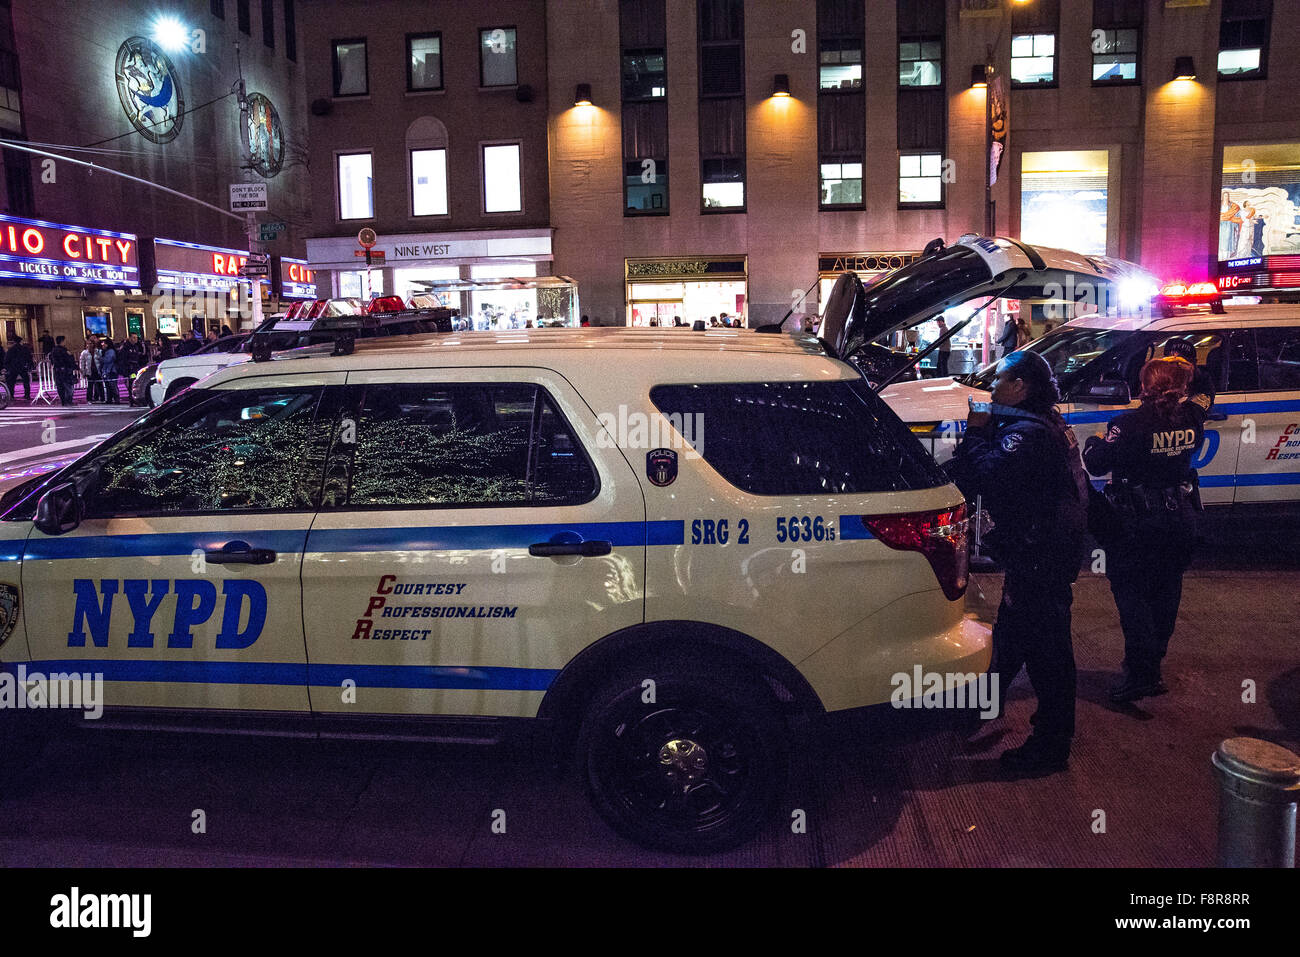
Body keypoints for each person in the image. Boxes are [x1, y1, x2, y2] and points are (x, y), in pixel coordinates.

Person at [947, 350, 1089, 774]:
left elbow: (990, 475)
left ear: (1020, 387)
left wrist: (974, 433)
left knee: (1049, 655)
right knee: (1012, 634)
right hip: (1043, 551)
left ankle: (1050, 746)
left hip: (1040, 556)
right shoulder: (1048, 423)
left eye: (999, 381)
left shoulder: (1026, 434)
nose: (991, 390)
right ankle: (983, 705)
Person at [1082, 358, 1207, 703]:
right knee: (1166, 594)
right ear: (1183, 387)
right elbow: (1206, 388)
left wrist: (1093, 441)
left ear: (1144, 387)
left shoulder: (1129, 424)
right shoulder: (1193, 418)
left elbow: (1095, 463)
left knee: (1133, 596)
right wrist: (1188, 362)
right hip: (1179, 519)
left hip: (1138, 524)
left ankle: (1140, 674)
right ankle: (1151, 666)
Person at [3, 334, 34, 401]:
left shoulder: (11, 349)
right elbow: (29, 358)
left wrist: (7, 367)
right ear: (20, 341)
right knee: (26, 381)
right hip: (23, 367)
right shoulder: (25, 349)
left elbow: (7, 359)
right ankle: (27, 395)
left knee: (11, 382)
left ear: (14, 342)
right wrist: (30, 366)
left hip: (13, 368)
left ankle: (11, 395)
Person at [49, 335, 77, 406]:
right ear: (62, 341)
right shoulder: (63, 350)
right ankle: (68, 401)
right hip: (65, 370)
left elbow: (52, 360)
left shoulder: (53, 350)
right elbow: (69, 360)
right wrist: (75, 366)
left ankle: (63, 401)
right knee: (68, 386)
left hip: (58, 370)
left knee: (60, 387)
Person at [99, 338, 119, 404]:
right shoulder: (105, 351)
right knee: (108, 386)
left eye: (104, 343)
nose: (102, 345)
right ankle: (109, 399)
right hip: (107, 370)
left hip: (111, 370)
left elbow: (108, 360)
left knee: (113, 385)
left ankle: (116, 399)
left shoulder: (110, 351)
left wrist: (101, 358)